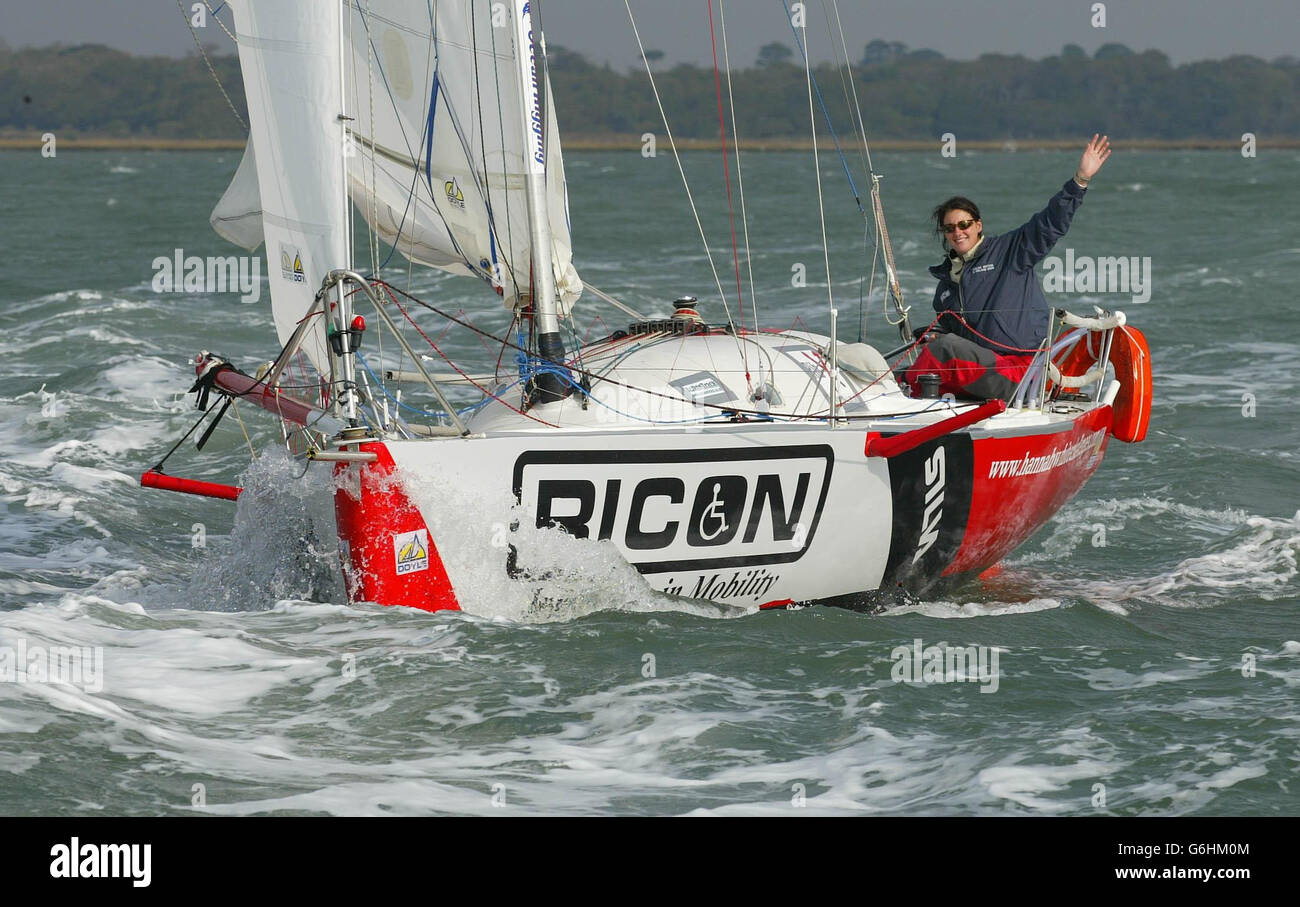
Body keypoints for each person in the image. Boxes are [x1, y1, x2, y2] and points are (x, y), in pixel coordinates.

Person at [904, 134, 1112, 400]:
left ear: (978, 225)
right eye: (950, 228)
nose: (958, 232)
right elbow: (952, 333)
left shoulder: (1010, 251)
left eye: (964, 224)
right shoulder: (945, 287)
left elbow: (1050, 224)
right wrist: (935, 334)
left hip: (1022, 371)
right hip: (983, 371)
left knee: (943, 351)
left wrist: (1080, 181)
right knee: (913, 367)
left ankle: (904, 401)